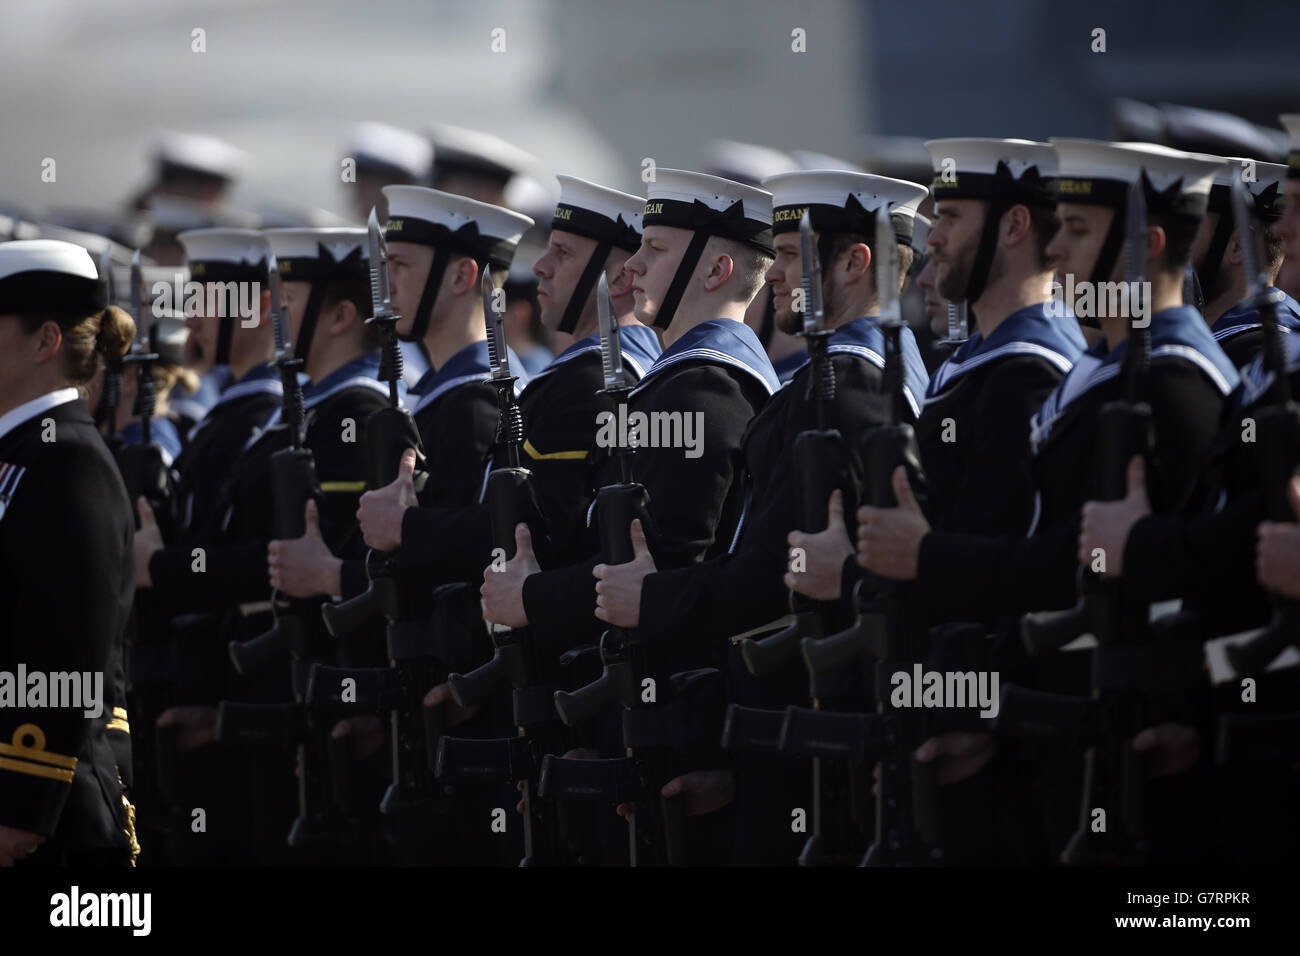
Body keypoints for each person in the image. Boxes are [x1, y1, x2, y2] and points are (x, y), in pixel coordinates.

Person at [858, 140, 1239, 863]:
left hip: (1118, 743)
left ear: (1149, 243)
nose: (1055, 247)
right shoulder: (1105, 374)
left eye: (1079, 230)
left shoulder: (1174, 385)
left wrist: (929, 560)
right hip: (1057, 734)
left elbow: (1078, 567)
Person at [590, 169, 931, 864]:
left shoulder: (847, 388)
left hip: (814, 741)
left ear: (854, 261)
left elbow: (766, 581)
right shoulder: (840, 378)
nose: (771, 274)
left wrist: (649, 597)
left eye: (786, 254)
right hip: (785, 734)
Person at [0, 239, 138, 866]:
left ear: (44, 342)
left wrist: (21, 805)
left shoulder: (68, 462)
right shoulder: (29, 451)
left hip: (53, 826)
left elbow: (67, 647)